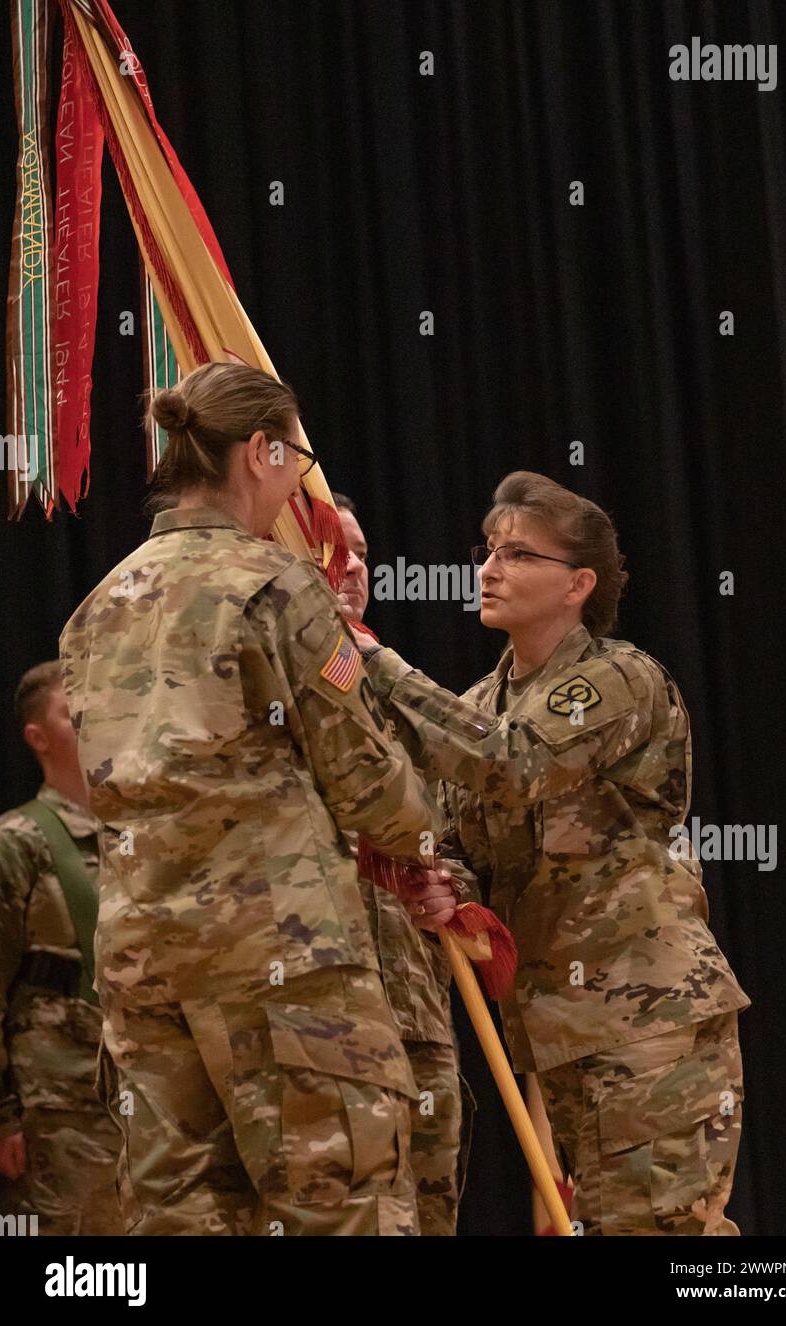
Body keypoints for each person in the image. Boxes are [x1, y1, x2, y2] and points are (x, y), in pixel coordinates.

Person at [59, 361, 439, 1236]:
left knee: (180, 1222)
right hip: (284, 952)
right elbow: (368, 782)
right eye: (298, 462)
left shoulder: (97, 605)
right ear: (262, 453)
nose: (300, 487)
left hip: (144, 961)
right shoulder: (278, 586)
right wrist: (424, 835)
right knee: (343, 1207)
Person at [350, 471, 752, 1236]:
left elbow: (516, 765)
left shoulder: (618, 677)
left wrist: (375, 660)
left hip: (647, 1017)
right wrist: (448, 885)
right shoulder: (475, 705)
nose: (490, 568)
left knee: (665, 1234)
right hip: (556, 1026)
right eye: (488, 550)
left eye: (517, 554)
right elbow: (463, 838)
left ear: (578, 584)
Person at [332, 491, 472, 1236]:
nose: (353, 567)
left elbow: (455, 842)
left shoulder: (397, 692)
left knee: (431, 1214)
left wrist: (453, 889)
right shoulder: (275, 684)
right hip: (327, 1013)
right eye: (335, 549)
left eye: (362, 553)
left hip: (419, 1005)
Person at [0, 662, 122, 1235]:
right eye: (74, 715)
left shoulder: (143, 837)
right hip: (57, 1111)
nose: (94, 721)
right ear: (38, 739)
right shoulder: (15, 842)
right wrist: (0, 1117)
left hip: (150, 1101)